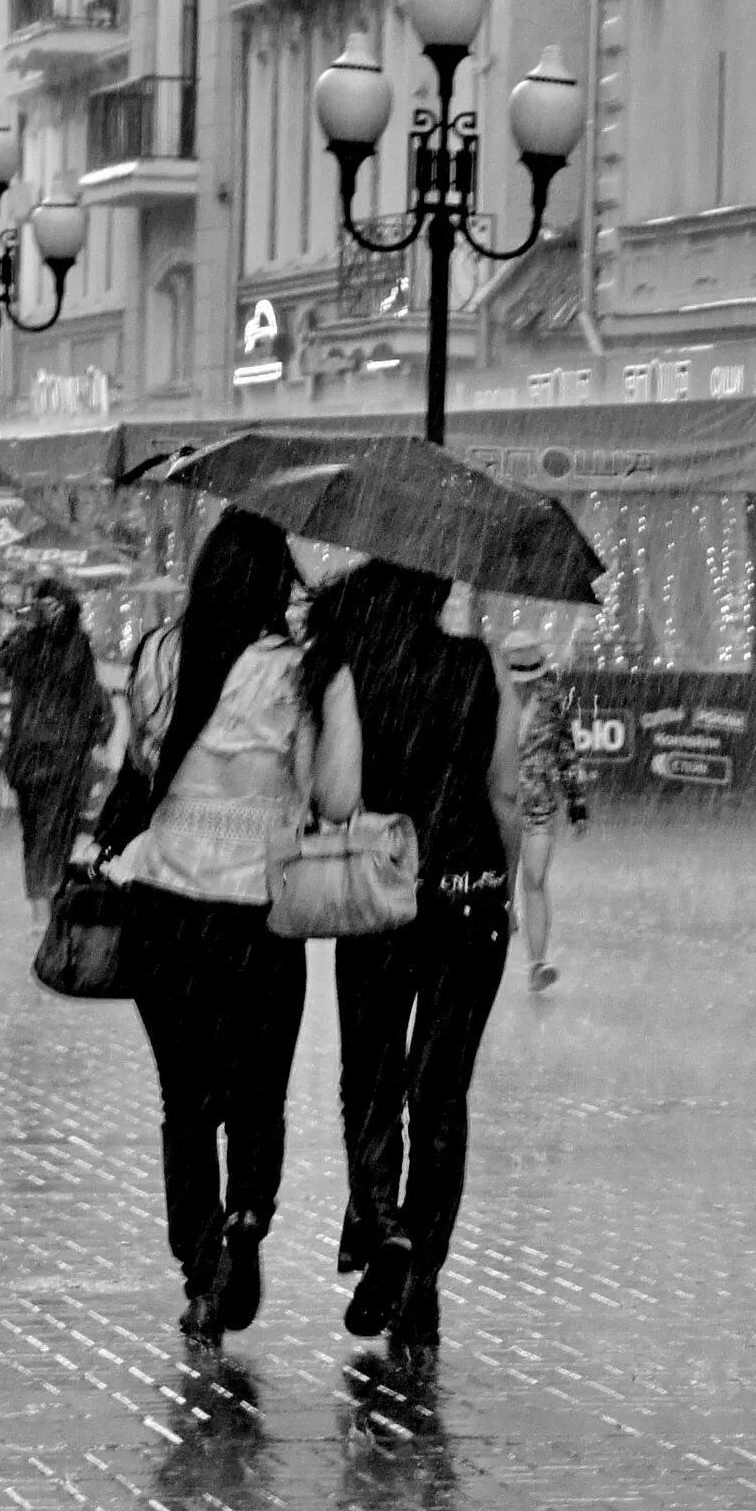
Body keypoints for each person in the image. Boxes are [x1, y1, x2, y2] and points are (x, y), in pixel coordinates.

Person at [102, 512, 313, 1346]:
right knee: (257, 1097)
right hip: (260, 917)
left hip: (167, 911)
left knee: (184, 1101)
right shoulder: (294, 673)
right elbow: (324, 793)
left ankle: (198, 1264)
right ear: (273, 584)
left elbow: (138, 768)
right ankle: (245, 1223)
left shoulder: (157, 655)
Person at [304, 560, 522, 1353]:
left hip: (382, 898)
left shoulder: (352, 670)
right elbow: (505, 791)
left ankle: (386, 1229)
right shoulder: (482, 663)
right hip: (471, 897)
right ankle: (423, 1280)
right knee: (441, 1095)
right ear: (439, 594)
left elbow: (336, 797)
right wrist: (507, 886)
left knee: (372, 1079)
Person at [0, 580, 112, 936]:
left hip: (58, 756)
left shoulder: (74, 645)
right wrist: (24, 627)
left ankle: (44, 908)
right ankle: (42, 907)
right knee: (40, 832)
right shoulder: (30, 642)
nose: (48, 614)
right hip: (36, 756)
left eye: (53, 607)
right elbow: (2, 662)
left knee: (50, 833)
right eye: (42, 606)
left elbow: (88, 696)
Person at [501, 630, 589, 991]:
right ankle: (488, 950)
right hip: (498, 807)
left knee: (534, 880)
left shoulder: (553, 700)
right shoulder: (491, 698)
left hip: (538, 806)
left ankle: (538, 963)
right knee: (496, 887)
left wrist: (577, 803)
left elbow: (566, 751)